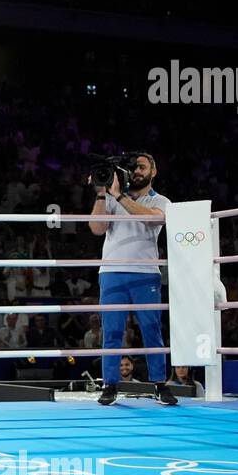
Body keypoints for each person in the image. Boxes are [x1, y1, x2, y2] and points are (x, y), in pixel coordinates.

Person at [87, 152, 177, 406]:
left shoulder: (161, 200)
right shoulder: (112, 198)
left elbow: (150, 218)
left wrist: (119, 195)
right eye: (133, 167)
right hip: (112, 272)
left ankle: (160, 384)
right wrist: (102, 192)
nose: (136, 171)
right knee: (112, 331)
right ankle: (109, 385)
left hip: (146, 273)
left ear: (153, 172)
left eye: (142, 167)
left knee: (151, 330)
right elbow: (96, 229)